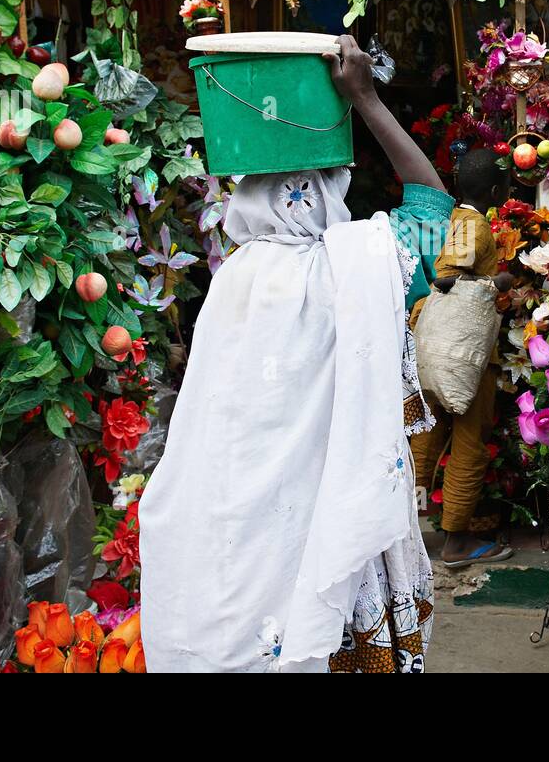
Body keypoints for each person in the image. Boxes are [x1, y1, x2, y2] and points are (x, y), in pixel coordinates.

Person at [138, 35, 455, 673]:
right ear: (326, 189)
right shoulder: (360, 266)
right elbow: (435, 212)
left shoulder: (234, 276)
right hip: (336, 527)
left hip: (243, 539)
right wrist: (365, 100)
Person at [408, 148, 516, 568]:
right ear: (495, 189)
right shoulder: (474, 223)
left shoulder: (456, 219)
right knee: (470, 445)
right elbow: (451, 277)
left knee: (425, 439)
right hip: (465, 359)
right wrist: (499, 280)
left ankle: (409, 531)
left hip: (435, 352)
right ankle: (455, 541)